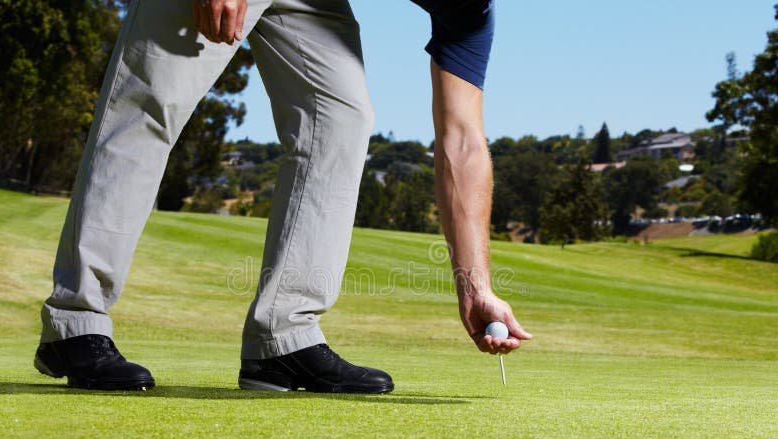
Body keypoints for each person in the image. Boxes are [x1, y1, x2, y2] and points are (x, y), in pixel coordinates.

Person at [34, 0, 531, 393]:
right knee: (154, 94)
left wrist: (476, 286)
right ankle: (75, 321)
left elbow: (462, 143)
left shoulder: (470, 9)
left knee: (339, 117)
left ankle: (283, 336)